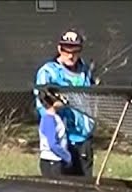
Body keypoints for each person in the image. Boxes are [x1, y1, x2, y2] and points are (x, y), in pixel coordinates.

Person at [33, 29, 96, 176]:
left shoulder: (85, 71)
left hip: (83, 141)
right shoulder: (48, 72)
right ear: (59, 49)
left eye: (74, 51)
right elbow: (43, 105)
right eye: (66, 50)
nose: (70, 55)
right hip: (62, 142)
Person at [37, 89, 73, 177]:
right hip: (52, 161)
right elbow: (52, 144)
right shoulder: (49, 119)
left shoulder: (55, 117)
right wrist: (67, 157)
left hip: (56, 160)